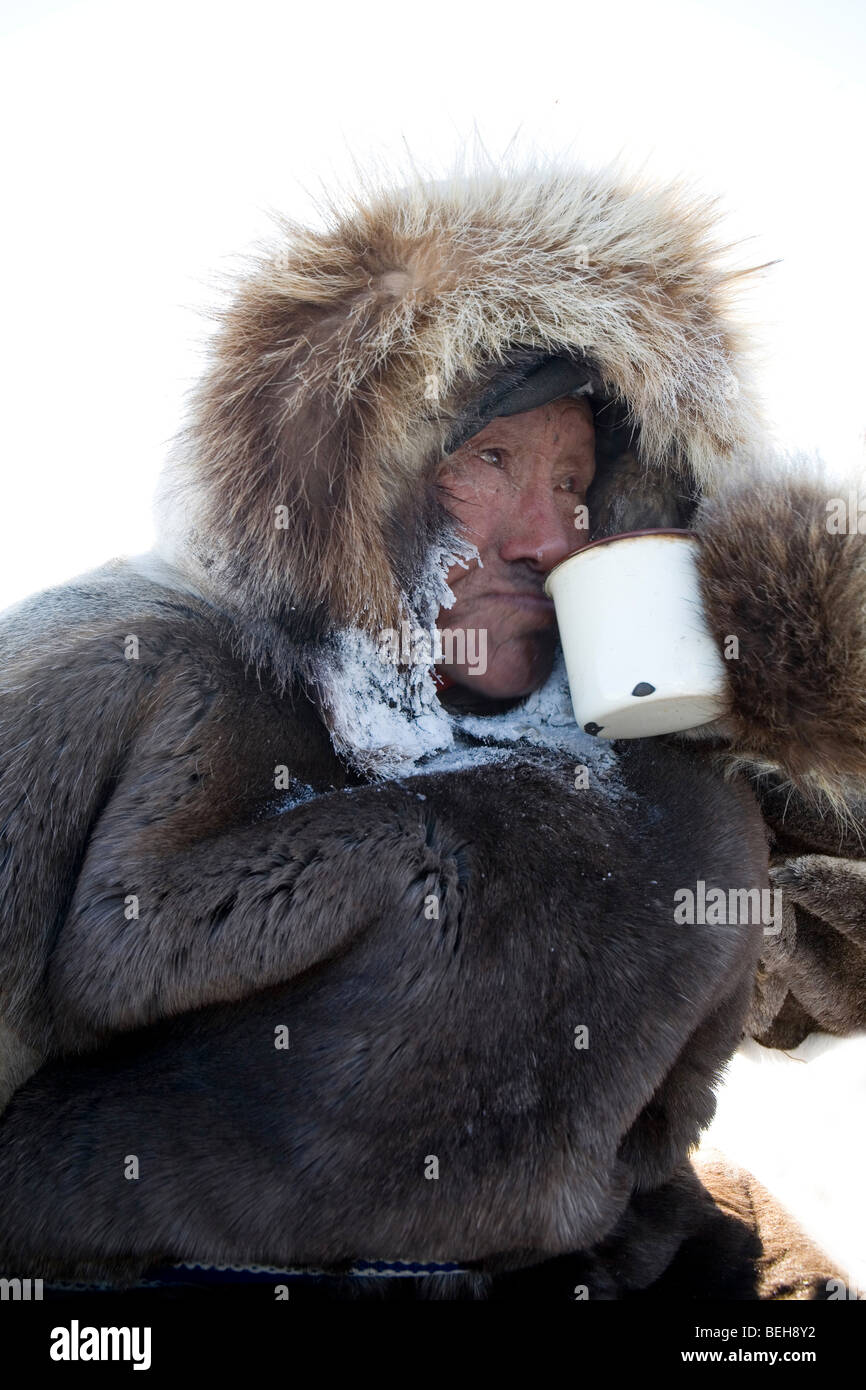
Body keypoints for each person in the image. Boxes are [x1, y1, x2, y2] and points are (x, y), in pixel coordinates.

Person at [0, 155, 863, 1299]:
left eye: (572, 479)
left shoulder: (657, 758)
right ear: (359, 483)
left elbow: (813, 960)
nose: (543, 534)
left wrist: (804, 662)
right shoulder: (130, 673)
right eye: (492, 460)